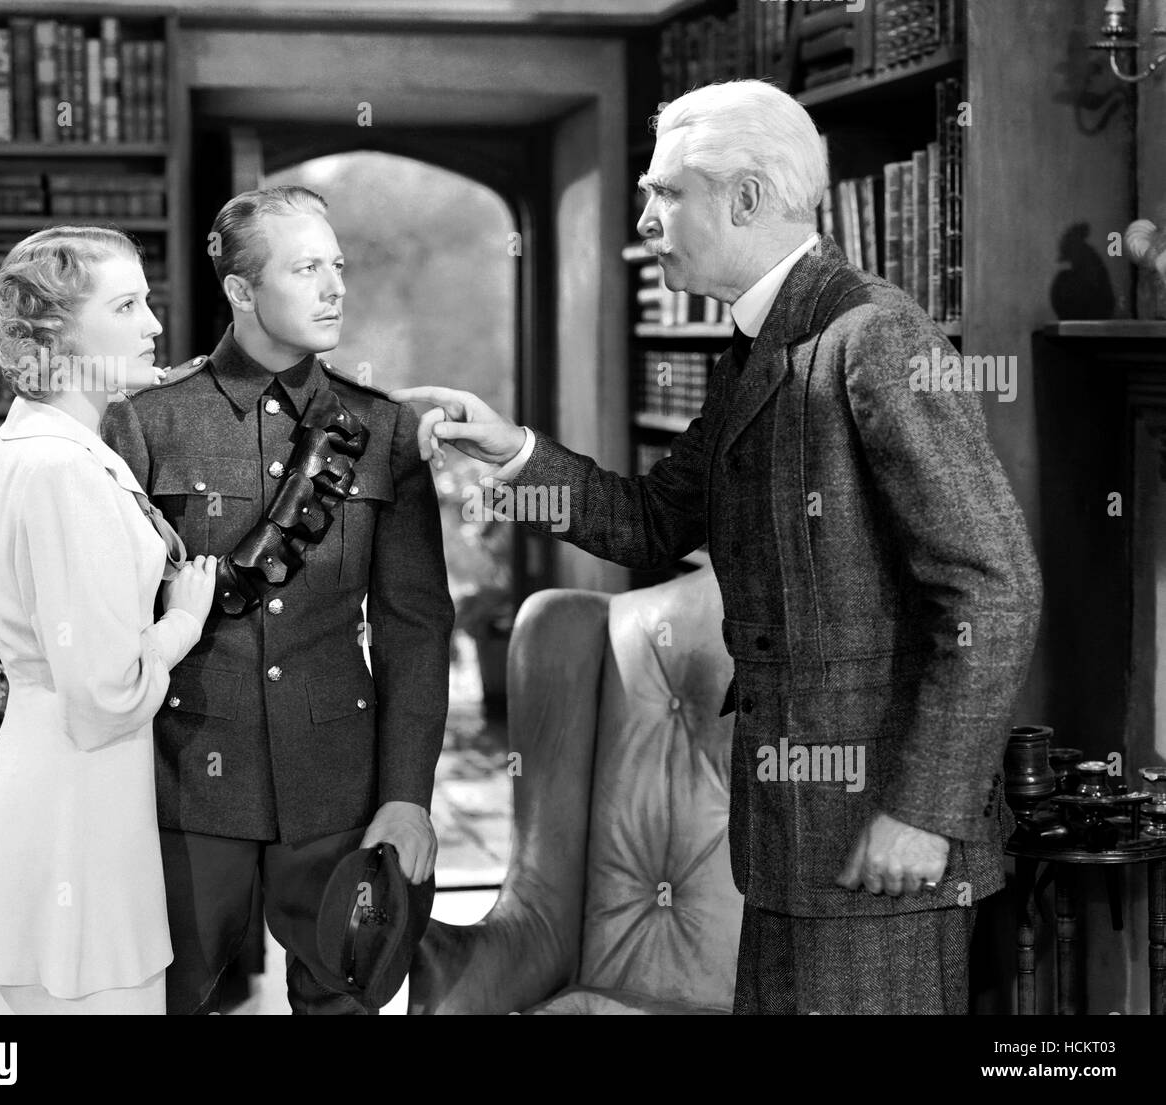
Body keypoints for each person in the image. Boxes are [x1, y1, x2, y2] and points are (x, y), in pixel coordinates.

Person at [392, 80, 1044, 1014]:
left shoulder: (874, 336)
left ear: (743, 198)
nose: (648, 219)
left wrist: (924, 812)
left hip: (882, 842)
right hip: (786, 839)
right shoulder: (755, 347)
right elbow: (652, 521)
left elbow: (995, 589)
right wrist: (517, 453)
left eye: (666, 193)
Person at [101, 185, 453, 1015]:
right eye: (306, 268)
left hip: (338, 784)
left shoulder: (385, 432)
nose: (335, 287)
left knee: (344, 998)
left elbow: (416, 629)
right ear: (240, 289)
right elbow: (116, 620)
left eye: (337, 266)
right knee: (168, 1002)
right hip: (184, 783)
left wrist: (407, 793)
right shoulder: (148, 421)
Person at [0, 226, 218, 1014]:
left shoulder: (47, 444)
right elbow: (105, 692)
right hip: (75, 806)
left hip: (65, 789)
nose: (153, 323)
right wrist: (184, 619)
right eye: (127, 304)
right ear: (62, 336)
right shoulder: (61, 468)